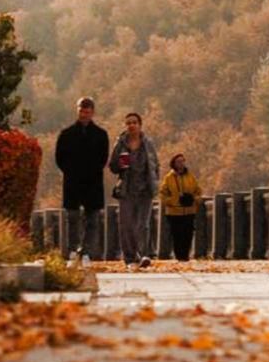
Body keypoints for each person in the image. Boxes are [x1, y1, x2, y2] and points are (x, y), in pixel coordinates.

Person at [55, 96, 109, 266]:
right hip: (72, 182)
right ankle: (72, 251)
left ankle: (86, 252)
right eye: (81, 111)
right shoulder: (66, 134)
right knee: (72, 218)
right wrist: (71, 172)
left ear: (92, 112)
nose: (84, 115)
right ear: (77, 111)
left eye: (87, 112)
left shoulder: (101, 135)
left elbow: (103, 158)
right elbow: (59, 158)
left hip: (93, 182)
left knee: (92, 220)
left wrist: (91, 171)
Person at [109, 111, 159, 269]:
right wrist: (120, 165)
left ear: (140, 125)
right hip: (127, 189)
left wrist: (154, 183)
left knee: (143, 224)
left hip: (145, 189)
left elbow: (155, 165)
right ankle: (130, 258)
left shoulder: (148, 143)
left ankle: (144, 255)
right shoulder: (120, 144)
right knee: (127, 225)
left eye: (134, 122)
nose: (131, 125)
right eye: (128, 123)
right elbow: (112, 166)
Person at [160, 153, 202, 262]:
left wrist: (194, 199)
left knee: (188, 234)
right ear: (173, 163)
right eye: (179, 161)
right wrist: (174, 201)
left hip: (189, 210)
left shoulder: (190, 176)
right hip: (174, 211)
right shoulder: (169, 178)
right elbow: (163, 194)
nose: (181, 164)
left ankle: (186, 256)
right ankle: (179, 256)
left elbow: (198, 191)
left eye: (183, 161)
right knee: (177, 235)